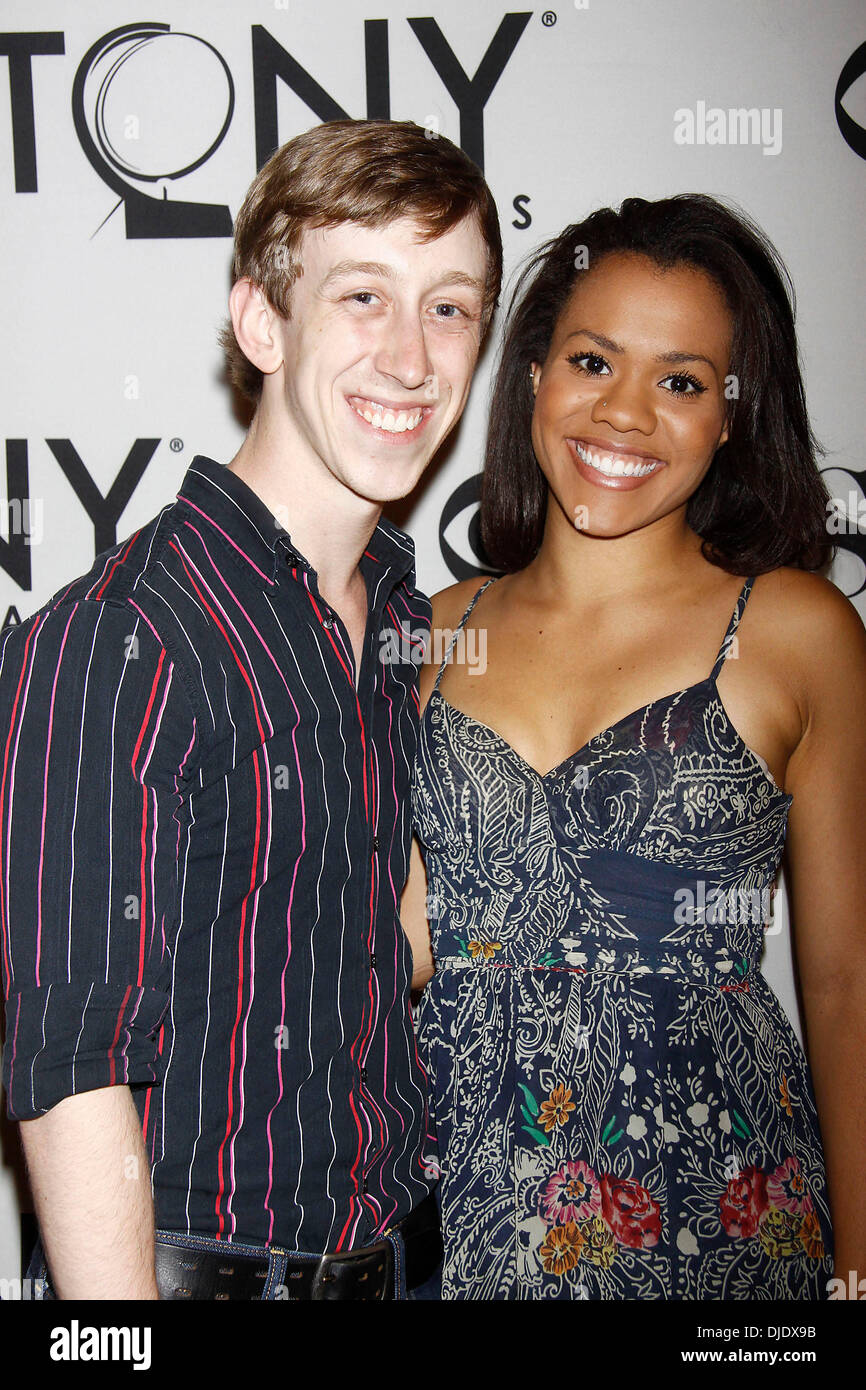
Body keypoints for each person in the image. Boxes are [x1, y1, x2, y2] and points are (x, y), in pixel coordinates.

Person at [0, 118, 501, 1300]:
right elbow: (69, 1074)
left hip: (402, 1259)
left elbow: (359, 939)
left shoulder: (402, 611)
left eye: (450, 307)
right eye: (363, 296)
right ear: (262, 322)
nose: (412, 357)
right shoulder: (120, 637)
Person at [401, 194, 866, 1299]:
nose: (623, 415)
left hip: (718, 1212)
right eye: (592, 360)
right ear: (531, 378)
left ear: (728, 418)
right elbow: (390, 941)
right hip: (450, 1202)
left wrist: (858, 1264)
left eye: (680, 381)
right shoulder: (421, 631)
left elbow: (843, 981)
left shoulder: (796, 630)